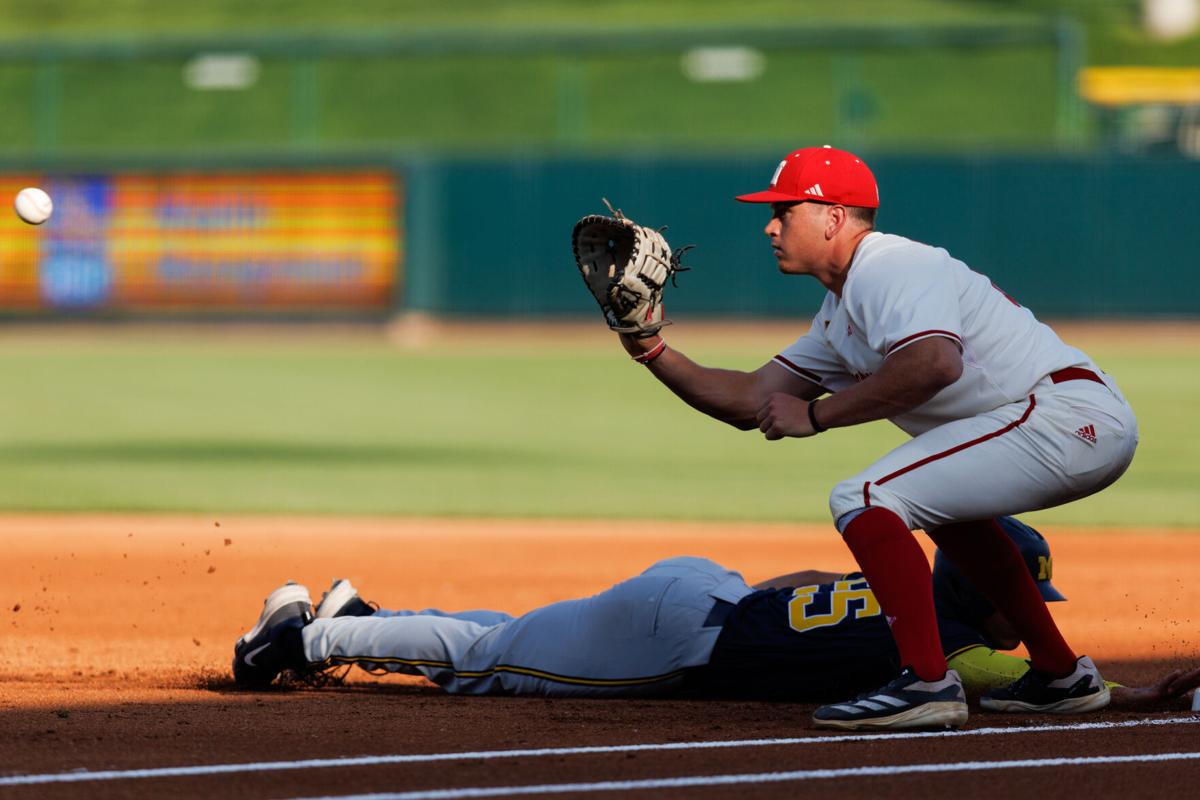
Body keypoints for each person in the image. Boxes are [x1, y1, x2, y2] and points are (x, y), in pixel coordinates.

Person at [608, 146, 1139, 730]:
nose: (770, 225)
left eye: (785, 211)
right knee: (950, 515)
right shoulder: (840, 313)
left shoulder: (890, 266)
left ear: (833, 217)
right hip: (1052, 419)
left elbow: (935, 363)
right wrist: (647, 345)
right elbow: (752, 399)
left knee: (864, 496)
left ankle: (926, 683)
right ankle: (1061, 675)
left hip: (1065, 415)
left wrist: (818, 416)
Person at [230, 518, 1198, 716]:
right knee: (492, 659)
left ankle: (364, 614)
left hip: (705, 596)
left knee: (520, 633)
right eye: (1019, 600)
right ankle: (304, 635)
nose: (1027, 619)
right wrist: (1146, 694)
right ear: (978, 593)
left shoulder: (917, 597)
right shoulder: (950, 648)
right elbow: (1048, 687)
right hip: (678, 637)